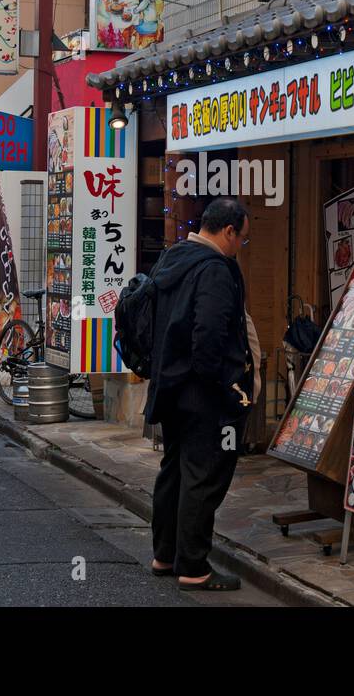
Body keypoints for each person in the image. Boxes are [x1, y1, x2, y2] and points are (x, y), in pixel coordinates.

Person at [146, 198, 253, 591]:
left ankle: (165, 555)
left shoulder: (173, 258)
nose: (241, 245)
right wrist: (221, 387)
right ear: (228, 232)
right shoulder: (215, 270)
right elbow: (209, 334)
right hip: (201, 393)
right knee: (203, 476)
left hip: (169, 386)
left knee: (173, 469)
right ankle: (193, 566)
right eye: (243, 238)